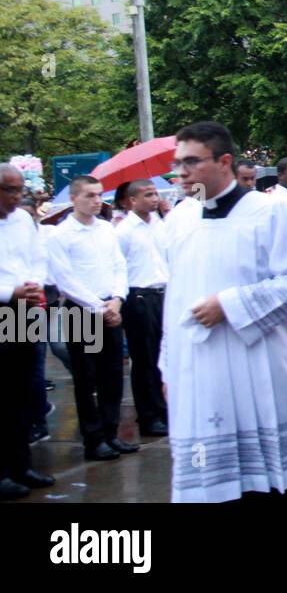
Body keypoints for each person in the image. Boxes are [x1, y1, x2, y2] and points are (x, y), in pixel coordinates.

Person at [158, 121, 287, 502]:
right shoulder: (179, 219)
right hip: (199, 365)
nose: (180, 172)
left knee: (272, 483)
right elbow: (176, 294)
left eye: (191, 162)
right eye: (177, 163)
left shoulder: (269, 213)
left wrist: (229, 305)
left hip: (260, 359)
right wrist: (167, 363)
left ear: (224, 162)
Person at [45, 175, 136, 462]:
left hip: (111, 306)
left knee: (113, 376)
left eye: (99, 195)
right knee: (87, 379)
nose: (97, 201)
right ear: (74, 199)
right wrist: (99, 306)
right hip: (81, 311)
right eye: (90, 195)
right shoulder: (61, 235)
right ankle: (93, 438)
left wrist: (118, 300)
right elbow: (65, 280)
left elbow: (120, 266)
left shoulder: (107, 230)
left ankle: (110, 433)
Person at [0, 164, 56, 499]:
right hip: (5, 305)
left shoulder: (22, 220)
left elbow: (38, 257)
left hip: (24, 308)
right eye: (9, 190)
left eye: (20, 189)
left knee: (24, 389)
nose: (17, 196)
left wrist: (33, 284)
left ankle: (21, 465)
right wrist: (11, 292)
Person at [115, 179, 170, 437]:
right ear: (132, 200)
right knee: (144, 359)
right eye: (148, 194)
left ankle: (163, 409)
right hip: (139, 297)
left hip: (162, 294)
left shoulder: (160, 224)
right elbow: (118, 267)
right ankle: (148, 416)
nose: (154, 198)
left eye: (155, 193)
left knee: (163, 357)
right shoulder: (124, 230)